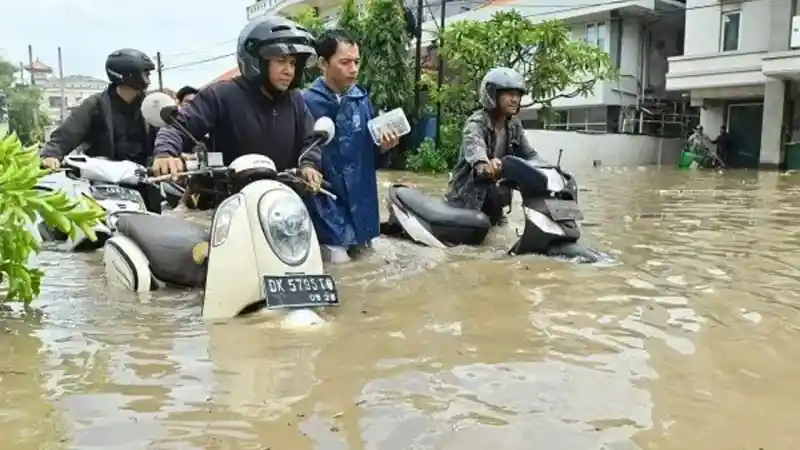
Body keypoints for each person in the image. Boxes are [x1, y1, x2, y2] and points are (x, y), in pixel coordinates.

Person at [151, 16, 324, 196]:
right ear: (258, 61)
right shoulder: (220, 95)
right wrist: (165, 154)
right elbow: (179, 126)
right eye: (281, 60)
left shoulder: (294, 99)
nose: (289, 70)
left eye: (293, 63)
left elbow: (309, 139)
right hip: (226, 203)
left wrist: (309, 166)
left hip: (279, 203)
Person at [301, 29, 399, 263]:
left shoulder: (361, 99)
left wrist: (385, 147)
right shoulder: (305, 102)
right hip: (327, 204)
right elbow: (299, 154)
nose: (353, 69)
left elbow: (371, 154)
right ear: (323, 63)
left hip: (362, 203)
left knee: (369, 265)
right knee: (340, 264)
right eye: (345, 62)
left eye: (356, 61)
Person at [39, 48, 163, 213]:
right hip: (105, 187)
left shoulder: (152, 105)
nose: (149, 79)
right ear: (128, 75)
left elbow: (167, 135)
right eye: (145, 74)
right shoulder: (94, 105)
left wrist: (170, 155)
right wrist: (51, 154)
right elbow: (67, 133)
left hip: (145, 183)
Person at [444, 67, 538, 226]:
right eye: (509, 94)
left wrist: (550, 169)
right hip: (466, 203)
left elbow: (530, 155)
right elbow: (478, 157)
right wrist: (487, 166)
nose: (515, 99)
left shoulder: (514, 125)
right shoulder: (476, 124)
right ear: (492, 94)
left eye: (517, 95)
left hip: (495, 203)